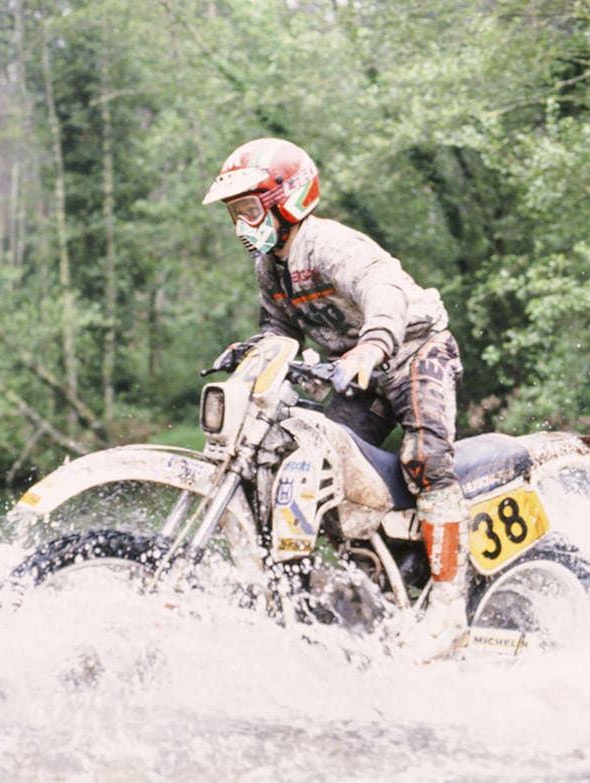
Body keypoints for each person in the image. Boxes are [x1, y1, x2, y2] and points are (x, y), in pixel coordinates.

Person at [203, 137, 468, 661]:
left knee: (426, 460)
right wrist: (254, 353)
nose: (241, 225)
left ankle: (448, 609)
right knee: (323, 470)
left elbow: (383, 286)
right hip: (356, 375)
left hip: (415, 350)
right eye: (235, 214)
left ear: (286, 200)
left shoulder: (326, 242)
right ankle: (371, 588)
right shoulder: (269, 269)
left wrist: (371, 347)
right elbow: (279, 330)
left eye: (249, 210)